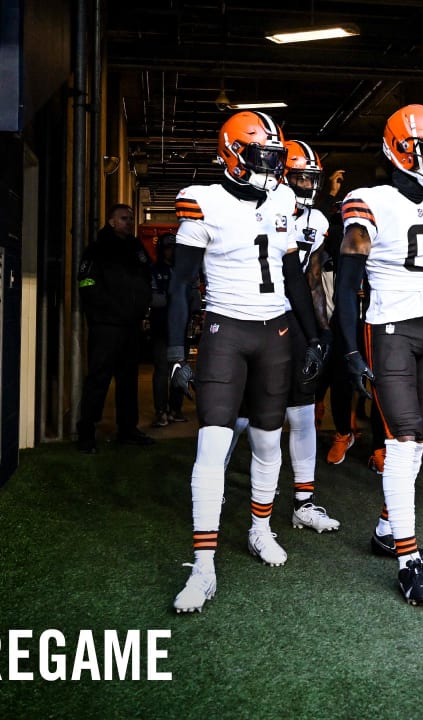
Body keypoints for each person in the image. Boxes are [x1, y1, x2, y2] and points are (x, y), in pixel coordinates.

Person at [165, 111, 328, 613]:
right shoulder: (202, 200)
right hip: (225, 331)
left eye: (275, 159)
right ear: (233, 153)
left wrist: (315, 335)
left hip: (276, 330)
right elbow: (180, 283)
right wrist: (174, 350)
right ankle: (204, 562)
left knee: (266, 438)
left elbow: (293, 275)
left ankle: (260, 528)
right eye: (262, 157)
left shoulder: (282, 198)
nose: (271, 168)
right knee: (212, 444)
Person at [334, 104, 423, 606]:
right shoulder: (366, 201)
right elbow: (347, 287)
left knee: (419, 439)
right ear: (399, 149)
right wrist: (349, 347)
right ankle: (407, 560)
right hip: (388, 328)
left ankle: (387, 528)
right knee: (402, 434)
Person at [227, 139, 342, 534]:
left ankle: (304, 500)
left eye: (312, 179)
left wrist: (317, 330)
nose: (307, 186)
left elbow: (308, 279)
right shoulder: (256, 206)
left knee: (302, 407)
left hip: (292, 318)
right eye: (299, 177)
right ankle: (218, 481)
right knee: (240, 411)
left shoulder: (317, 221)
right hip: (251, 315)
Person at [76, 203, 154, 453]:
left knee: (128, 380)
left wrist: (141, 311)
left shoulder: (136, 248)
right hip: (106, 327)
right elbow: (86, 283)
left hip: (130, 326)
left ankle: (127, 430)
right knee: (98, 379)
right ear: (111, 221)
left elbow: (146, 279)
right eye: (124, 218)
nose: (129, 222)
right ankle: (86, 433)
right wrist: (103, 313)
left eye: (131, 218)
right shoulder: (97, 249)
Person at [149, 234, 187, 428]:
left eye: (175, 248)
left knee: (180, 370)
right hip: (161, 328)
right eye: (168, 248)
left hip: (180, 329)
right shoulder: (155, 270)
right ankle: (161, 411)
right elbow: (155, 299)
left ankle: (176, 409)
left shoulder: (184, 271)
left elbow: (193, 297)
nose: (172, 251)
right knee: (162, 371)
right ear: (162, 250)